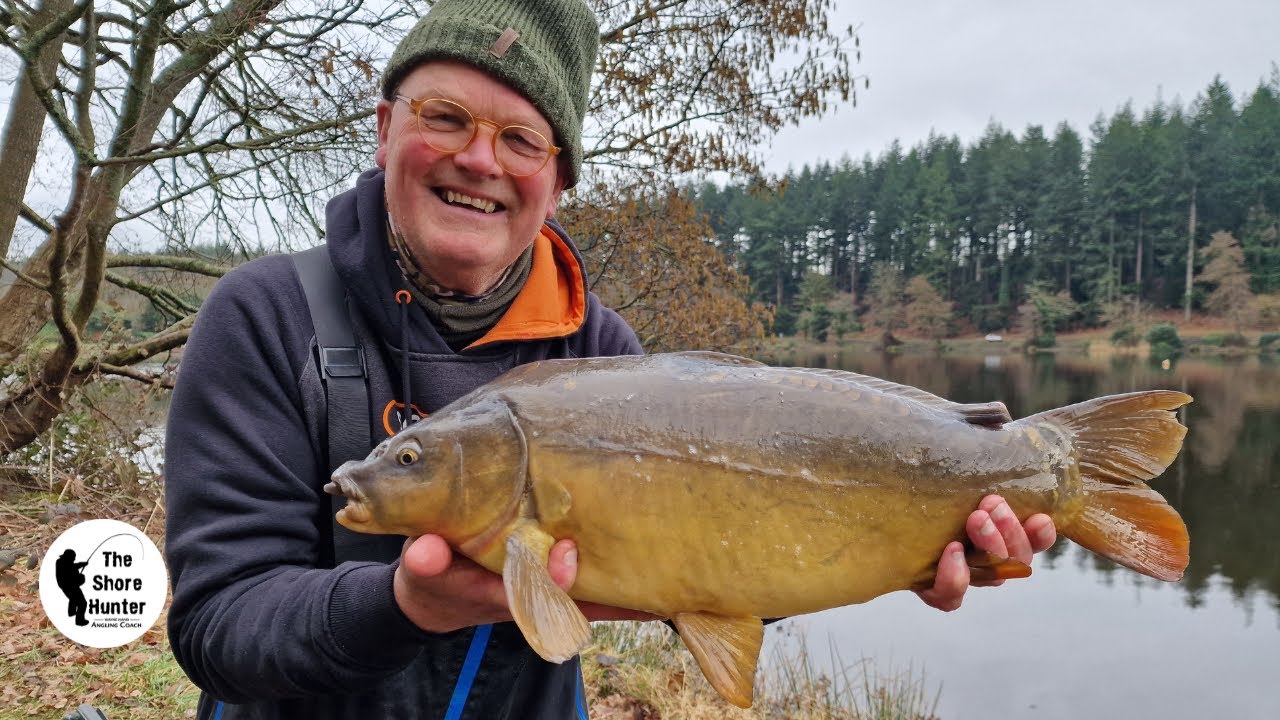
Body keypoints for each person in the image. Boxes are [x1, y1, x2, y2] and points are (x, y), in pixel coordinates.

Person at [163, 0, 1056, 718]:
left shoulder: (603, 354)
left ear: (557, 180)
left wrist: (909, 546)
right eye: (446, 118)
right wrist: (407, 605)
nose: (480, 160)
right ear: (386, 126)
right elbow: (216, 627)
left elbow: (715, 557)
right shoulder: (265, 317)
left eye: (521, 139)